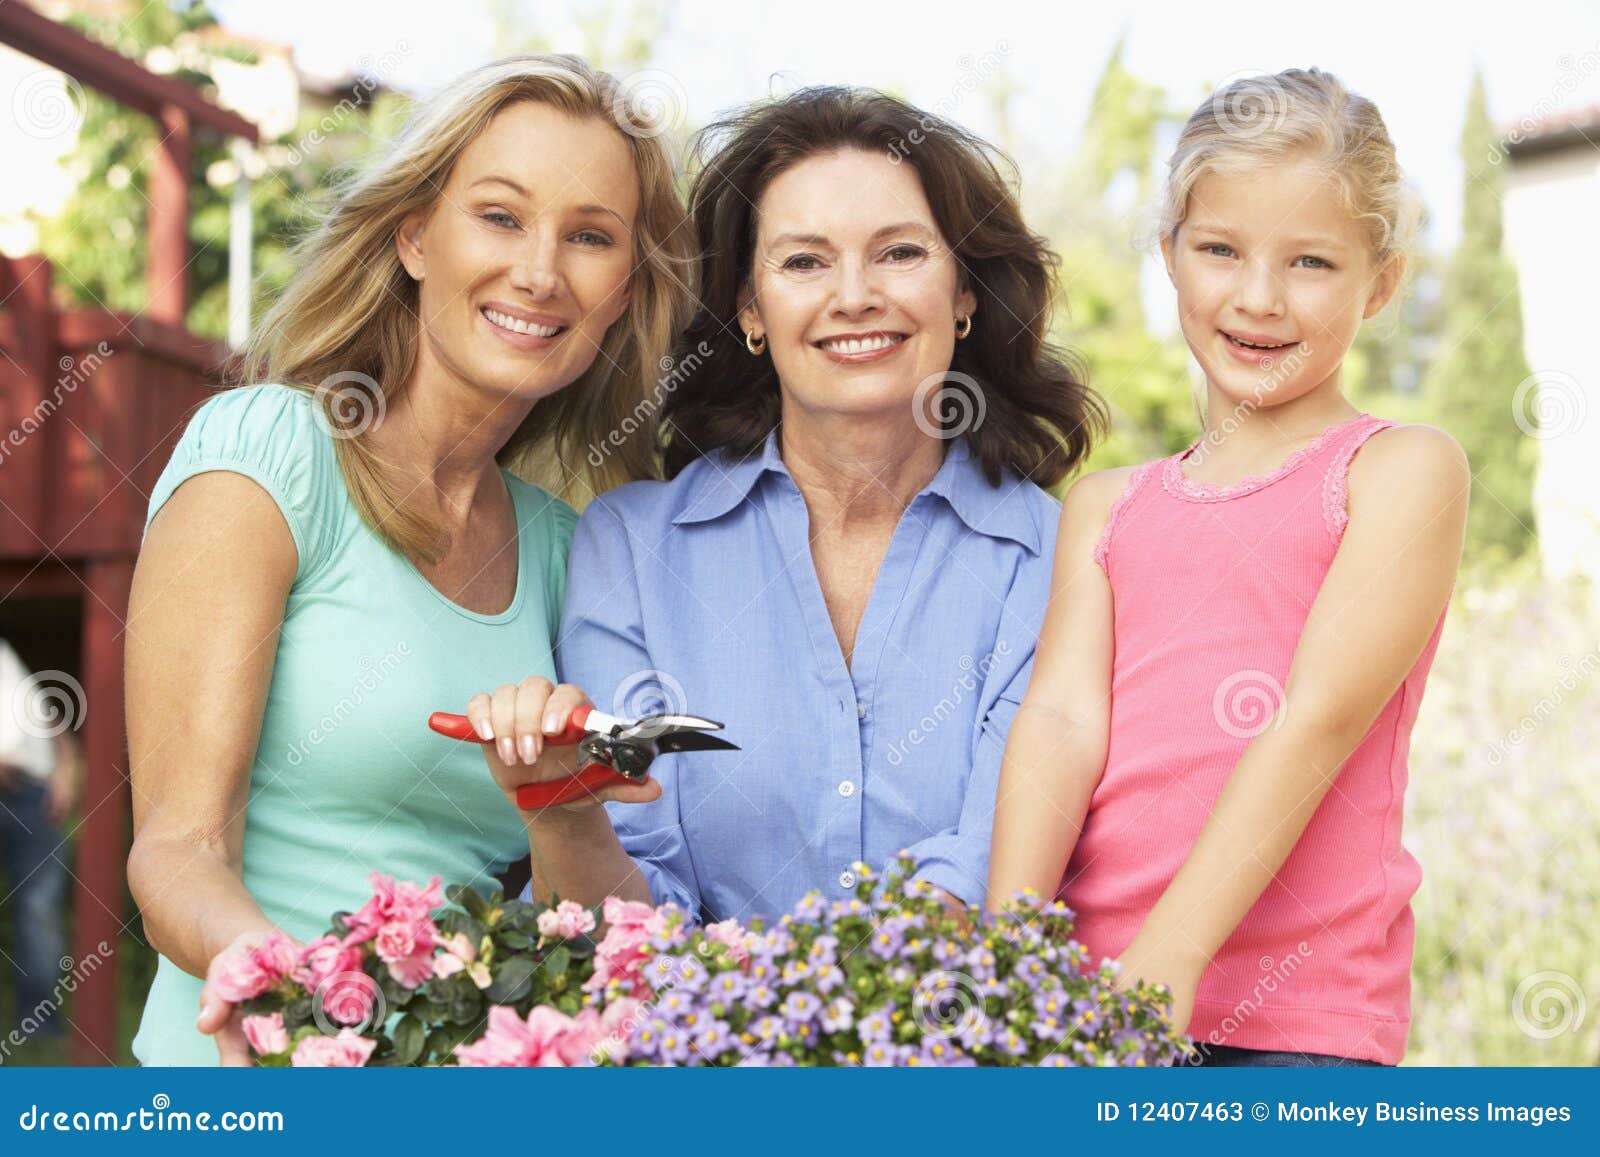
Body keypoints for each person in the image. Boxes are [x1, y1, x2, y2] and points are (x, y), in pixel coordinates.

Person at [125, 55, 694, 1065]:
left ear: (622, 294)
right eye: (501, 216)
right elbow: (176, 850)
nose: (540, 272)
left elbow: (589, 946)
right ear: (416, 236)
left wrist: (560, 804)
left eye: (590, 236)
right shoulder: (272, 452)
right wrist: (278, 983)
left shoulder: (569, 551)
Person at [460, 86, 1104, 925]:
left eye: (900, 252)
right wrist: (564, 814)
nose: (854, 295)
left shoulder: (1061, 556)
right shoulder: (632, 548)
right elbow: (632, 919)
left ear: (965, 294)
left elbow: (991, 877)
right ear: (750, 309)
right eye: (804, 262)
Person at [986, 69, 1469, 1067]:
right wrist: (1008, 959)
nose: (1257, 297)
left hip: (1300, 1023)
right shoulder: (1105, 506)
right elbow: (1062, 723)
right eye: (1219, 249)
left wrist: (1172, 951)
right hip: (1089, 1005)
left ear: (1381, 283)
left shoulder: (1399, 471)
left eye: (1310, 262)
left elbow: (1314, 716)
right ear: (1168, 254)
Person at [0, 641, 80, 1049]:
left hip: (33, 795)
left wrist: (67, 766)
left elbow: (47, 716)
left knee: (39, 910)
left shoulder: (6, 658)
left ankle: (38, 1028)